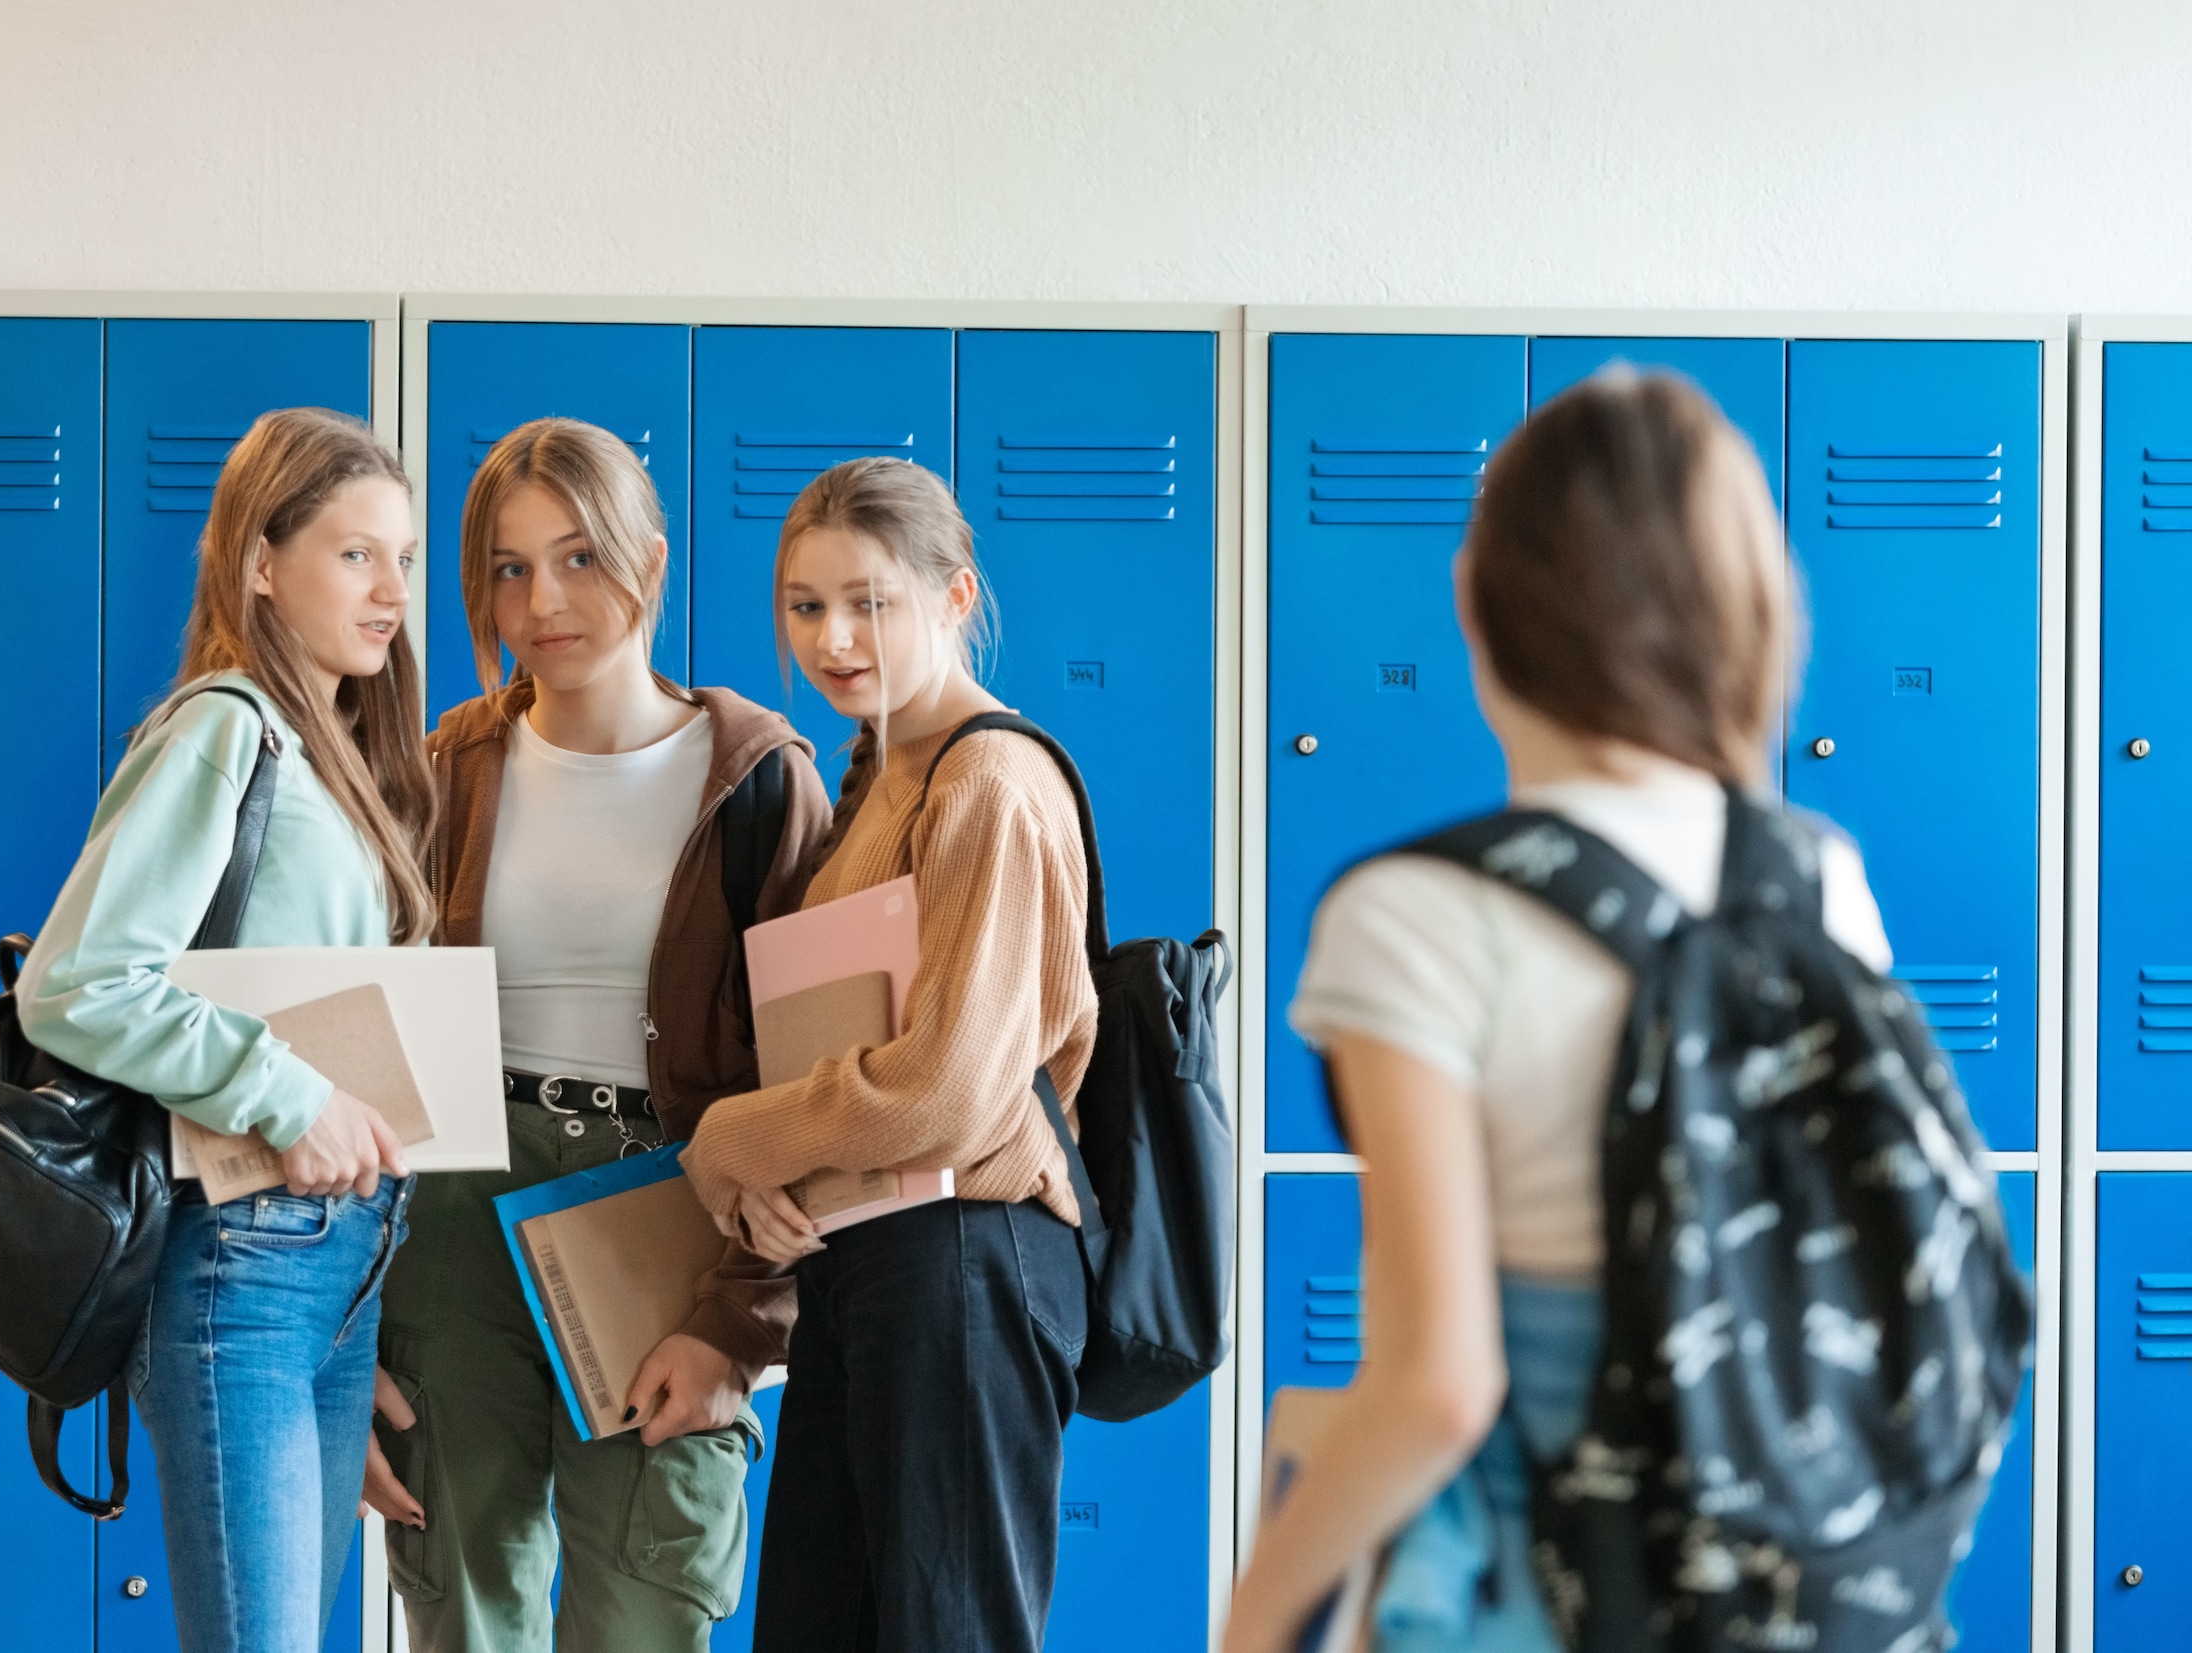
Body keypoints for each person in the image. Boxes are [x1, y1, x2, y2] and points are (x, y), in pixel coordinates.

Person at [1220, 373, 1897, 1653]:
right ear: (1746, 612)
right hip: (1778, 1587)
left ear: (1479, 604)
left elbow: (1438, 1383)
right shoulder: (1817, 878)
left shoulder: (1415, 912)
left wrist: (1256, 1620)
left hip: (1531, 1592)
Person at [361, 417, 830, 1653]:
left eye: (577, 559)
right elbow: (361, 1053)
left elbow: (814, 1080)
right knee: (459, 1608)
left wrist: (740, 1323)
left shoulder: (760, 781)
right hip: (454, 1217)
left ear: (651, 561)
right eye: (508, 570)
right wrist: (338, 1337)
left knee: (643, 1608)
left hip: (664, 1207)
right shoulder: (444, 768)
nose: (542, 602)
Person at [14, 407, 430, 1653]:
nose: (391, 589)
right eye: (355, 554)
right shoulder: (224, 729)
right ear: (261, 562)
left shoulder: (334, 748)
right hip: (242, 1260)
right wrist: (288, 1095)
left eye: (402, 559)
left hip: (335, 1268)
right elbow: (76, 981)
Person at [677, 456, 1095, 1653]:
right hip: (874, 1264)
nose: (832, 637)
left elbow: (949, 1087)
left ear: (955, 595)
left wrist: (730, 1145)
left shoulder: (989, 781)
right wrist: (783, 1191)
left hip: (964, 1259)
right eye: (804, 606)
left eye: (869, 602)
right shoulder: (875, 778)